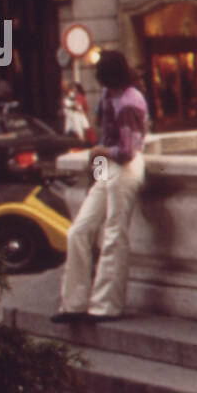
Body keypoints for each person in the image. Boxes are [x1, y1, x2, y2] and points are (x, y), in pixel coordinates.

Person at [52, 51, 149, 324]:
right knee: (78, 231)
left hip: (124, 168)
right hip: (110, 166)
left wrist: (99, 151)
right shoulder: (110, 96)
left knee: (114, 235)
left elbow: (128, 151)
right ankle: (74, 303)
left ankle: (105, 306)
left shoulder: (129, 101)